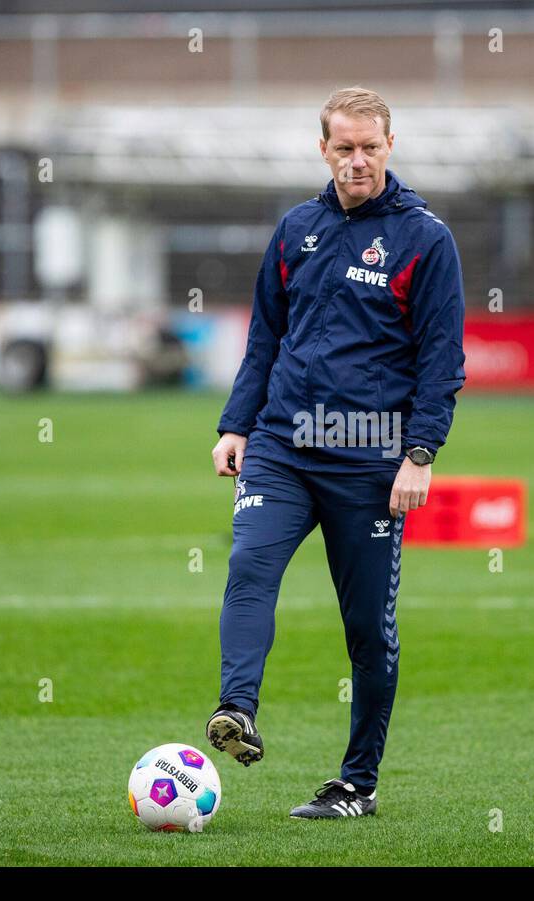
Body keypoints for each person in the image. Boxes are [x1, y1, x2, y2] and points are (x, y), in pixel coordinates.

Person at [207, 87, 465, 819]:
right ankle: (237, 709)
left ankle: (358, 784)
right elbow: (265, 337)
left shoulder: (424, 239)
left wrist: (419, 454)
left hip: (369, 460)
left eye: (370, 147)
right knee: (249, 565)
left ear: (390, 146)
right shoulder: (296, 229)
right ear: (323, 148)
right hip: (283, 446)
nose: (357, 160)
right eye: (343, 147)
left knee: (367, 633)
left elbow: (442, 359)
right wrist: (237, 426)